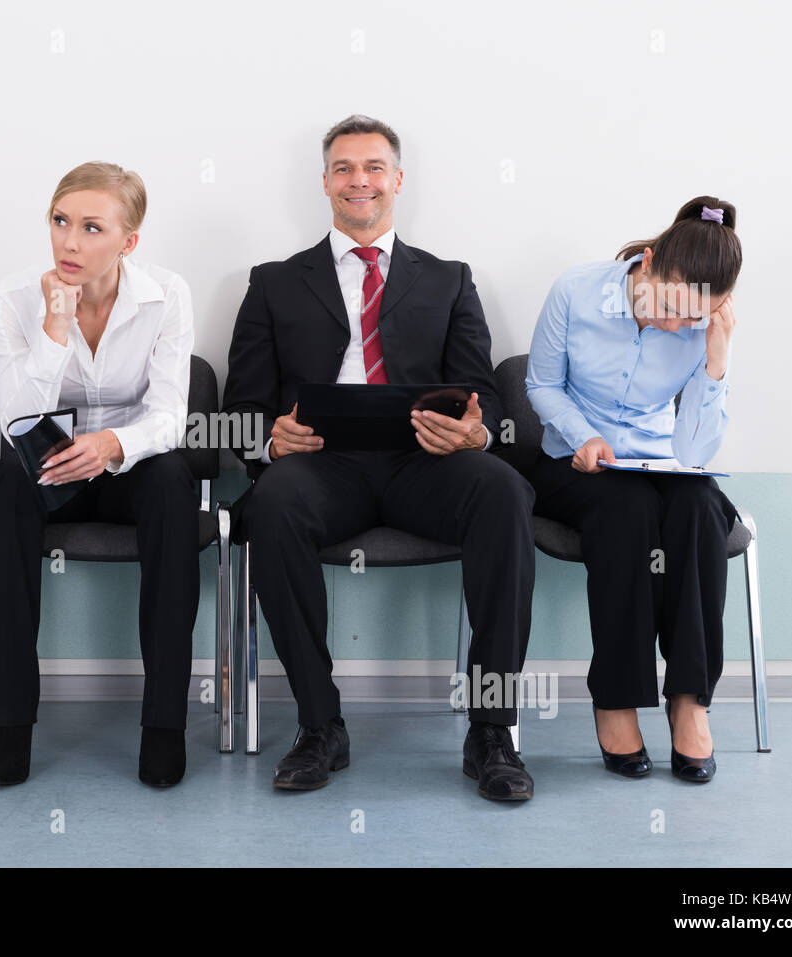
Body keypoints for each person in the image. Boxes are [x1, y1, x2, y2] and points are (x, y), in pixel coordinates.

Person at [222, 116, 537, 801]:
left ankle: (491, 729)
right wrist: (268, 439)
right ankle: (319, 723)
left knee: (504, 491)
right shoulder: (274, 282)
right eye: (343, 167)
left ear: (397, 179)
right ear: (324, 183)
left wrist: (477, 433)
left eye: (372, 167)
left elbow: (482, 397)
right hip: (320, 463)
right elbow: (238, 409)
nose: (358, 180)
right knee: (272, 503)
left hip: (426, 461)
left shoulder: (450, 279)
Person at [0, 161, 198, 788]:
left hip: (131, 467)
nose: (69, 242)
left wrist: (110, 445)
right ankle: (11, 724)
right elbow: (15, 421)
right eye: (60, 221)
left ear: (129, 241)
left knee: (172, 482)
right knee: (9, 484)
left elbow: (171, 416)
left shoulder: (166, 294)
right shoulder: (14, 297)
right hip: (49, 466)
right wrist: (55, 327)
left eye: (92, 227)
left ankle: (164, 726)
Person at [525, 196, 742, 783]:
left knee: (700, 507)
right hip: (573, 462)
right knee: (626, 508)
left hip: (660, 462)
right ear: (648, 262)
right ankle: (616, 698)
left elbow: (694, 453)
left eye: (692, 319)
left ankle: (690, 700)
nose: (675, 326)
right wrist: (584, 436)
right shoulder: (576, 290)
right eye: (669, 306)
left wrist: (715, 361)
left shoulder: (701, 327)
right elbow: (541, 385)